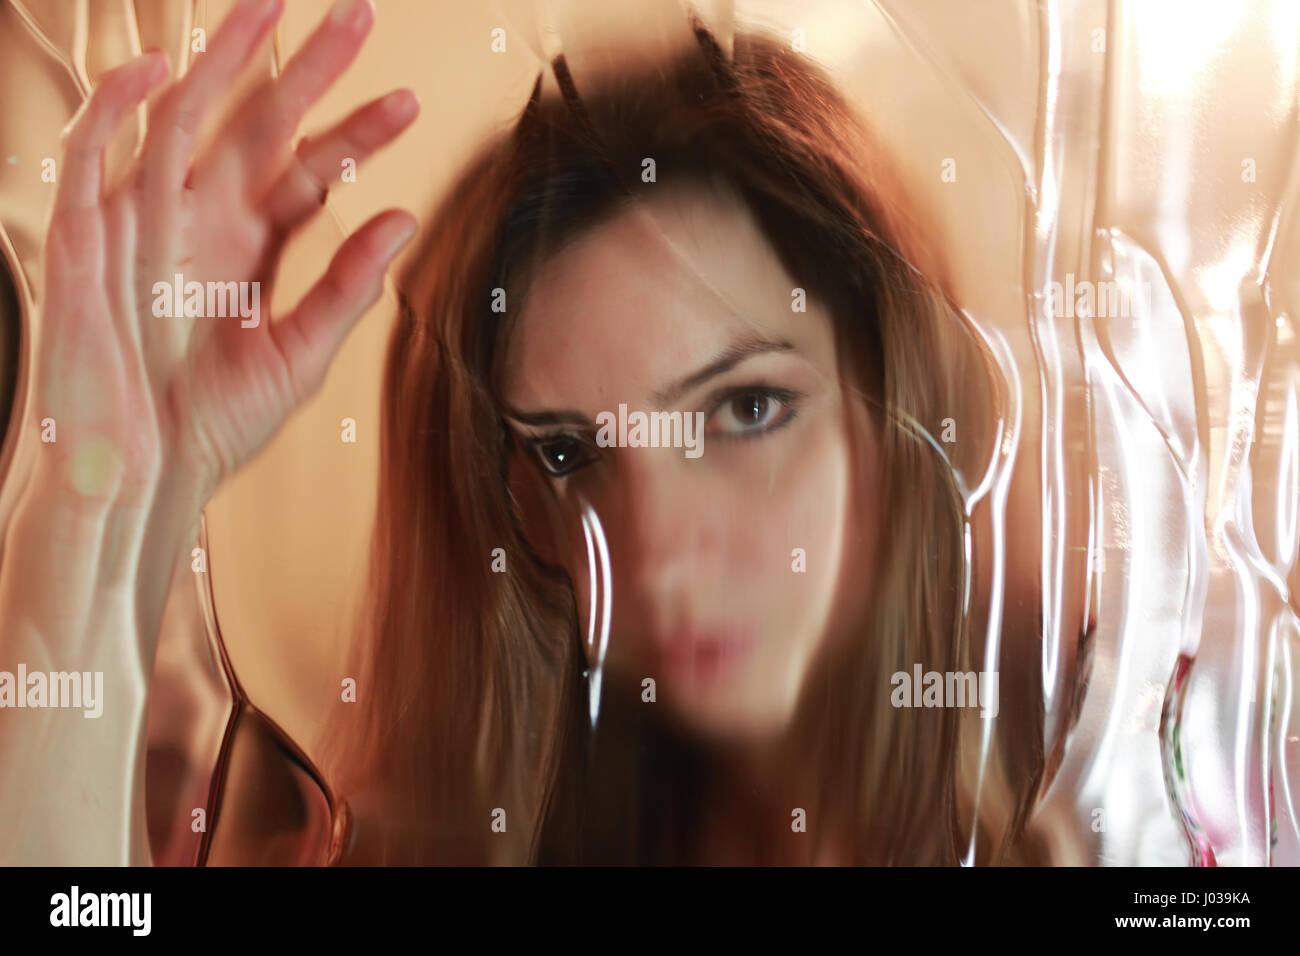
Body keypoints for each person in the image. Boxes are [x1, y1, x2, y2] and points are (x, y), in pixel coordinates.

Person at [0, 0, 1047, 865]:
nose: (659, 552)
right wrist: (119, 494)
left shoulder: (1140, 823)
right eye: (566, 452)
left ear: (899, 390)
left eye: (745, 408)